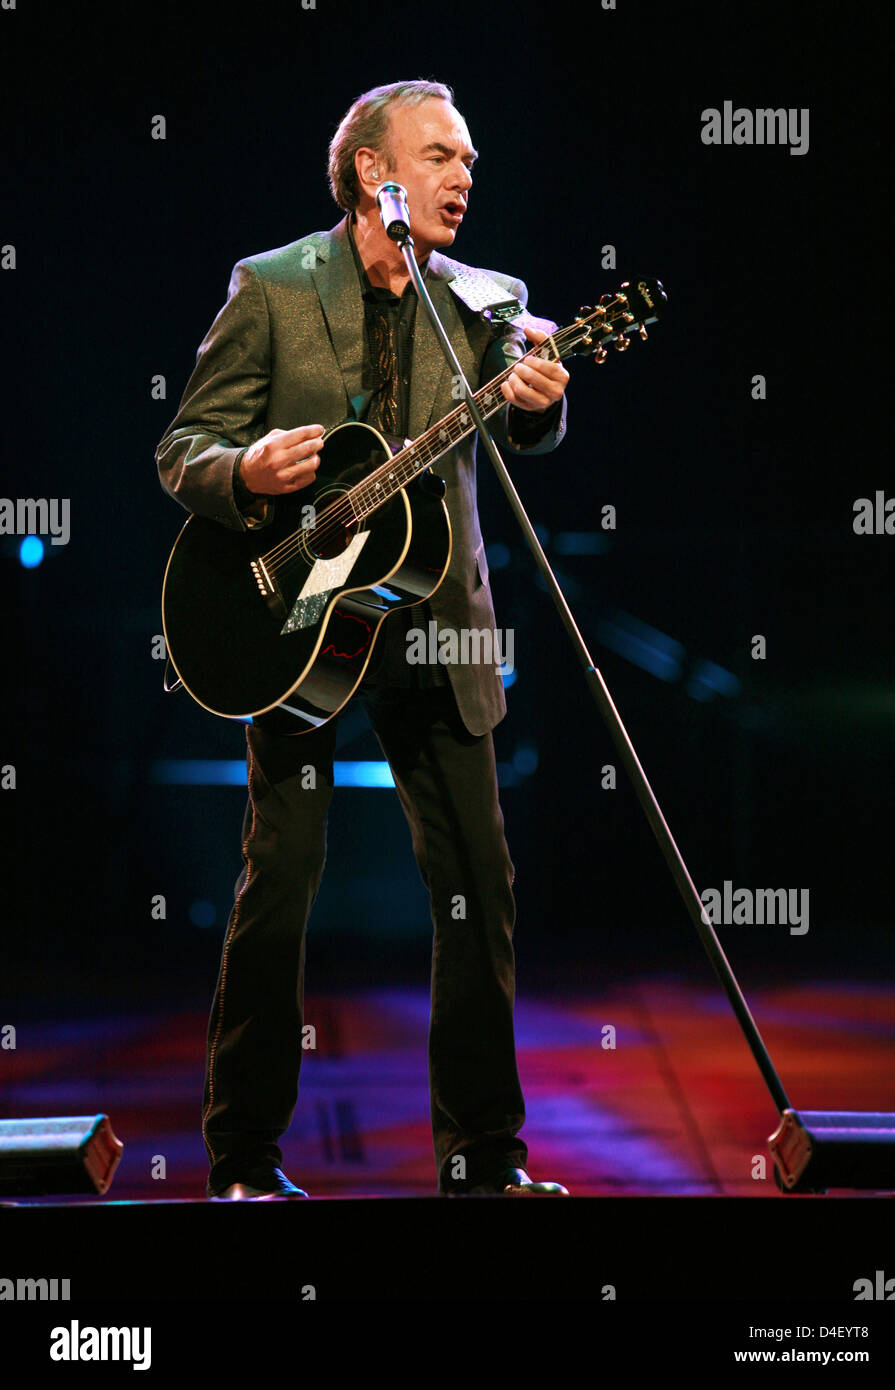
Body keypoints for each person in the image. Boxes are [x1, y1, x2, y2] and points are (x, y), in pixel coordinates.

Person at [156, 79, 571, 1200]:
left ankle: (484, 1156)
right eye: (440, 157)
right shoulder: (276, 287)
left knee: (478, 886)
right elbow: (182, 444)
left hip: (436, 622)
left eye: (471, 160)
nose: (463, 176)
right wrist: (241, 470)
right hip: (296, 622)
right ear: (370, 176)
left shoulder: (486, 299)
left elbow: (524, 421)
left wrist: (535, 399)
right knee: (280, 875)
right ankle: (242, 1160)